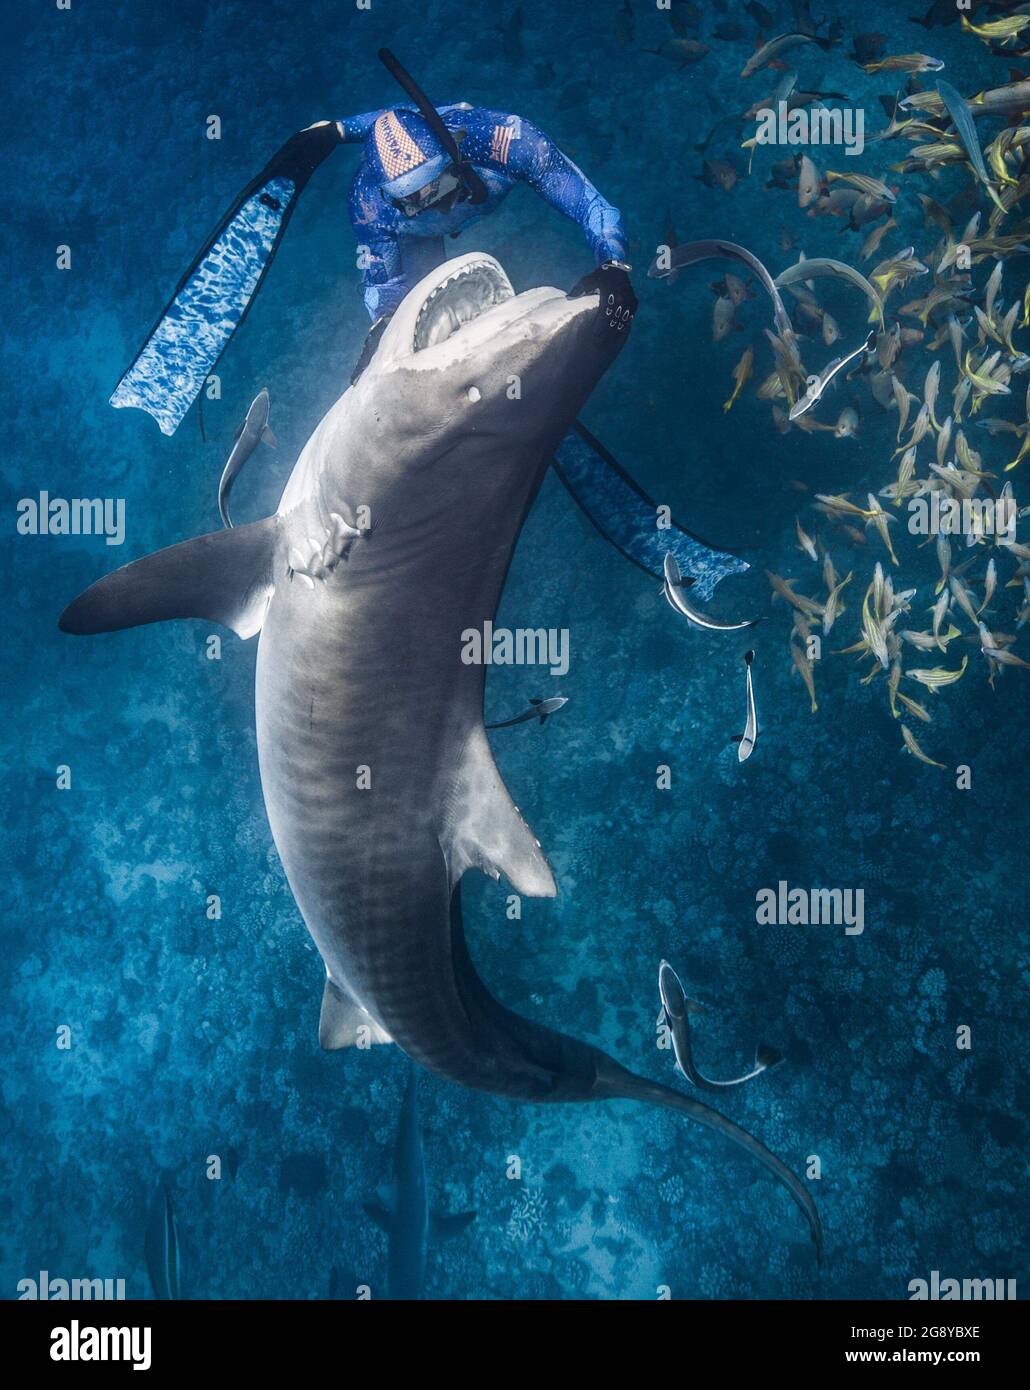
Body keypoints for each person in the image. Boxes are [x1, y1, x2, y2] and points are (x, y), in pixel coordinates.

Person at [338, 103, 637, 379]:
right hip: (417, 237)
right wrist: (382, 325)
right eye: (412, 203)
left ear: (456, 154)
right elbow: (382, 283)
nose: (438, 208)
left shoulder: (508, 142)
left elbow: (591, 206)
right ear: (387, 195)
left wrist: (613, 266)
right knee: (422, 337)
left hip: (430, 212)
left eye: (438, 188)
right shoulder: (367, 204)